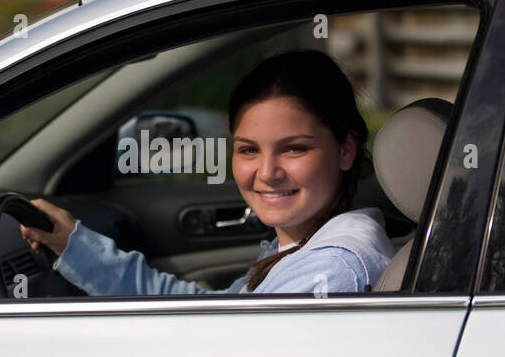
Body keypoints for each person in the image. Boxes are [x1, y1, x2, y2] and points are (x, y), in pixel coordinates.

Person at [20, 49, 395, 296]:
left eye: (294, 148)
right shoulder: (300, 251)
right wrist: (78, 247)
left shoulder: (329, 272)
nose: (267, 172)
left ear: (345, 149)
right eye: (248, 149)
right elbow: (204, 312)